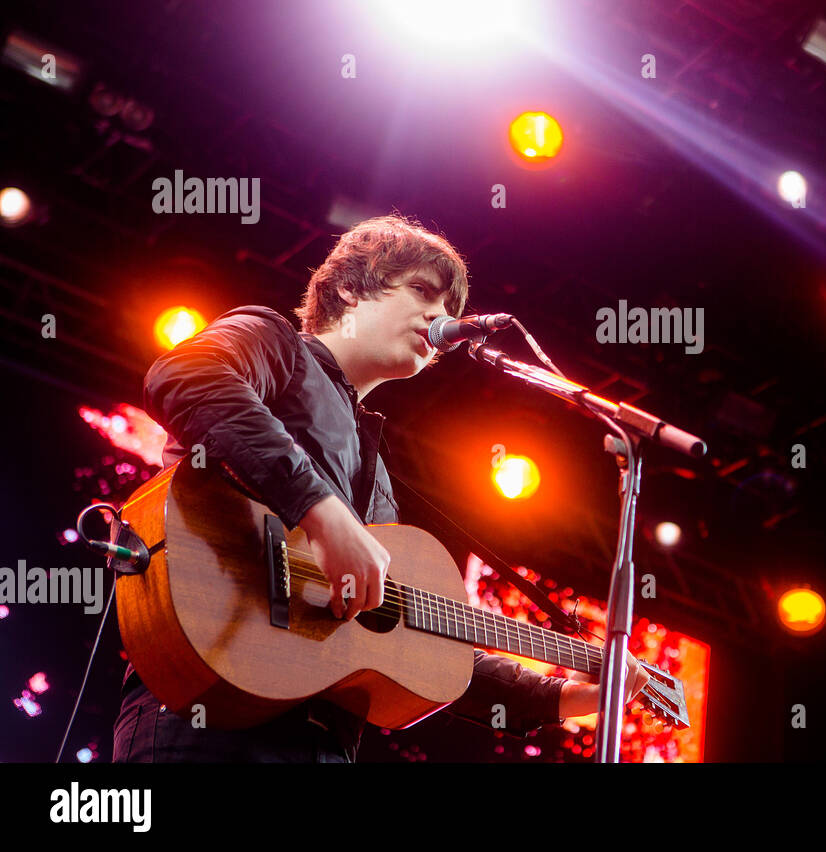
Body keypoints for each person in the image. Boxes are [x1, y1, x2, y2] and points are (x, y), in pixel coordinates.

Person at [112, 213, 647, 762]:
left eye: (450, 310)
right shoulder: (272, 340)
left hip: (320, 741)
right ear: (348, 286)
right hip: (209, 715)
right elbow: (186, 376)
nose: (440, 317)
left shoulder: (379, 477)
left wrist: (568, 696)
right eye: (421, 290)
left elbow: (410, 645)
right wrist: (323, 514)